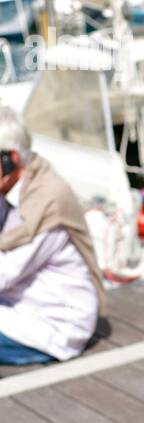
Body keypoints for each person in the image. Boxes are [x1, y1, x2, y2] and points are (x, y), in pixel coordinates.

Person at [0, 108, 104, 365]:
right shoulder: (13, 187)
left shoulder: (45, 204)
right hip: (17, 306)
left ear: (10, 159)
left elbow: (4, 273)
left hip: (53, 324)